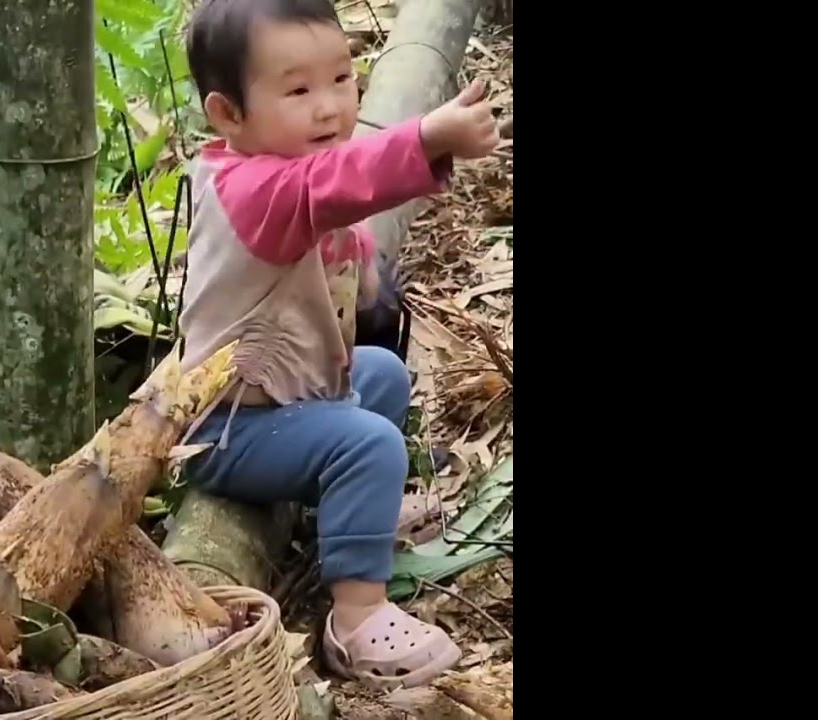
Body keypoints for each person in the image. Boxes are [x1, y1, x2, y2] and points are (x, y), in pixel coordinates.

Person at [177, 0, 499, 688]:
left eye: (342, 79)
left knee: (381, 373)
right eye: (298, 90)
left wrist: (358, 254)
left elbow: (325, 211)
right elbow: (334, 184)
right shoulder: (254, 185)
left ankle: (360, 512)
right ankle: (355, 618)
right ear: (228, 115)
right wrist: (430, 135)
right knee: (369, 441)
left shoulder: (276, 170)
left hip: (285, 402)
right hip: (232, 427)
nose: (330, 107)